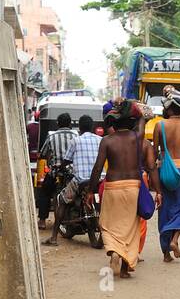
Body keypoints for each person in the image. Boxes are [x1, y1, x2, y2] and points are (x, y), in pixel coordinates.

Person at [88, 99, 157, 277]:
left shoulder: (107, 141)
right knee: (131, 226)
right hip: (134, 186)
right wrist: (129, 105)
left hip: (112, 186)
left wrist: (91, 190)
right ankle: (125, 269)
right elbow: (143, 115)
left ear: (113, 123)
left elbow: (97, 167)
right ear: (131, 121)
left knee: (109, 224)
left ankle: (114, 252)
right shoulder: (137, 138)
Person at [46, 114, 100, 247]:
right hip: (99, 180)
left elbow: (67, 160)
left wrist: (61, 166)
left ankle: (53, 237)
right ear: (92, 127)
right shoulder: (100, 140)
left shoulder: (76, 141)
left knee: (61, 200)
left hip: (80, 181)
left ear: (80, 128)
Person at [156, 87, 180, 261]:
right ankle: (175, 239)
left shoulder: (160, 125)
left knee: (165, 209)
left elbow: (159, 151)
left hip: (165, 169)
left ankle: (165, 254)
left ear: (168, 108)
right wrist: (173, 92)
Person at [38, 112, 77, 230]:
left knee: (44, 193)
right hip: (72, 173)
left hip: (55, 172)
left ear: (58, 124)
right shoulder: (76, 135)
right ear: (70, 124)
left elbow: (43, 154)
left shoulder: (51, 136)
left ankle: (42, 220)